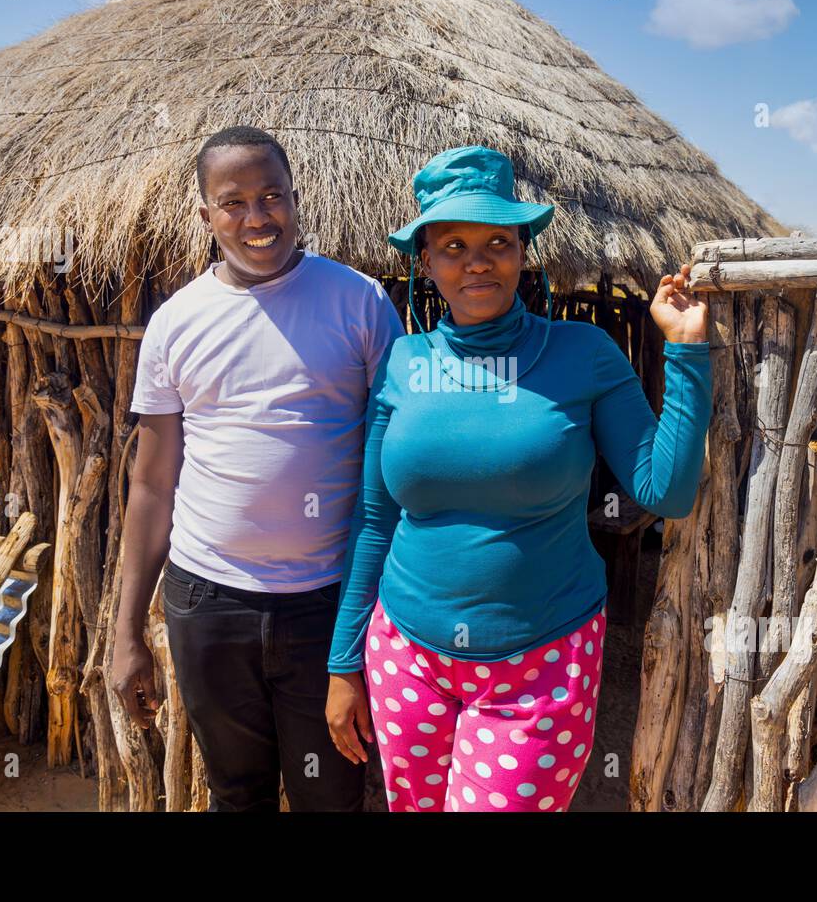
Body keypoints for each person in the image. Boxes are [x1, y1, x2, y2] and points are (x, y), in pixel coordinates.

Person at [325, 144, 712, 811]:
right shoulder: (401, 363)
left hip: (542, 661)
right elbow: (375, 520)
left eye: (497, 240)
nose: (477, 260)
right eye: (453, 244)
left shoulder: (581, 354)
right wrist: (342, 662)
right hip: (407, 655)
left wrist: (686, 348)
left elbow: (664, 490)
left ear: (523, 251)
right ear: (425, 259)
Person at [111, 126, 404, 811]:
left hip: (328, 604)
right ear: (205, 215)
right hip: (209, 602)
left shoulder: (358, 303)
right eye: (233, 201)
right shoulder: (177, 322)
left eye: (271, 196)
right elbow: (152, 483)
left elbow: (394, 457)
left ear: (297, 199)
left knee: (330, 794)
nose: (256, 217)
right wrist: (126, 633)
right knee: (234, 792)